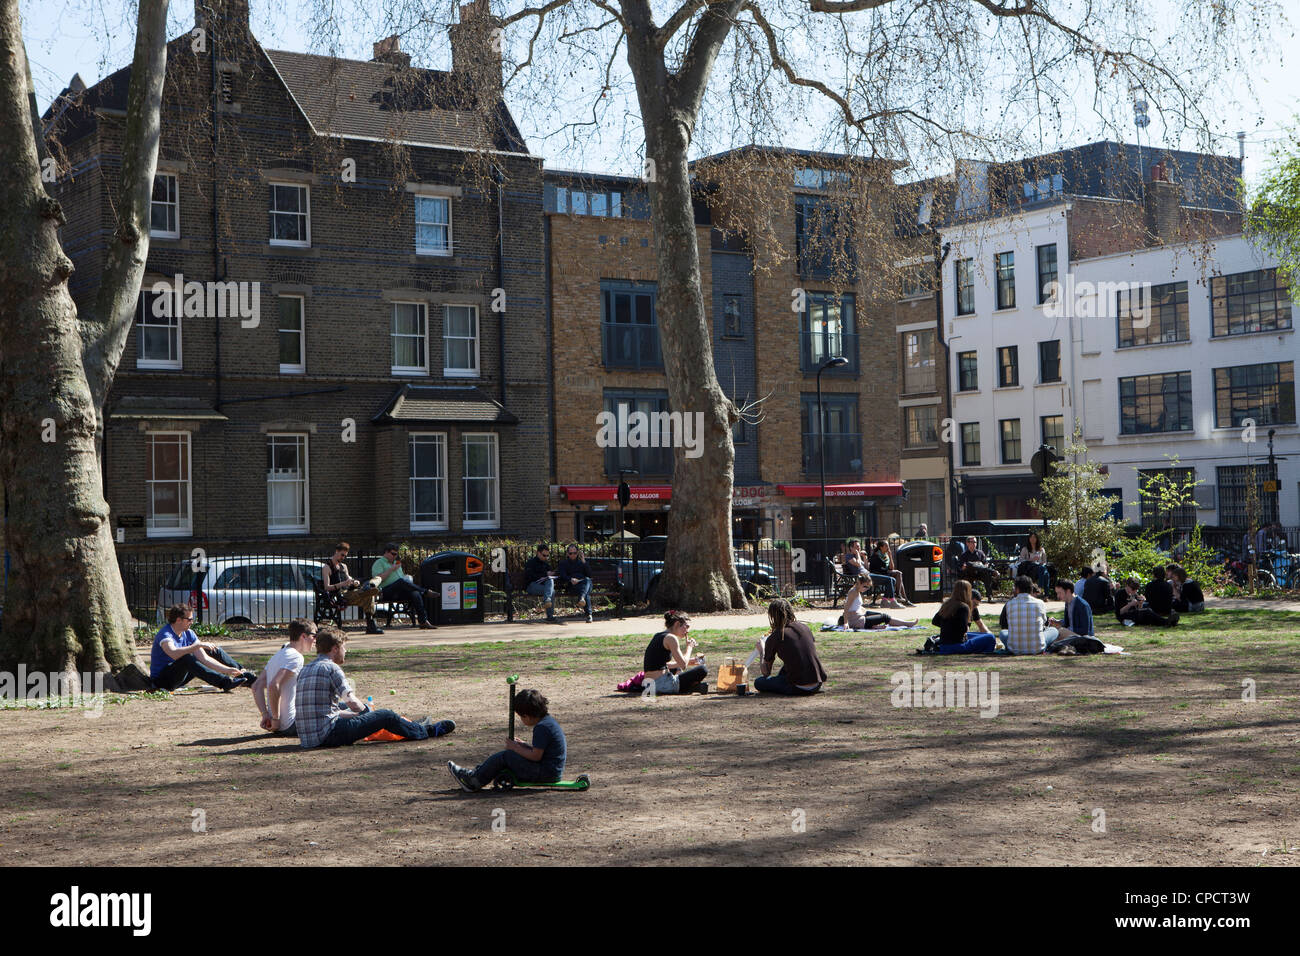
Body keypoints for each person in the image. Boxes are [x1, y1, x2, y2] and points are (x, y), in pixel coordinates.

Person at [295, 628, 455, 749]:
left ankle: (408, 724)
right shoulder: (331, 668)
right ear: (335, 648)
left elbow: (324, 710)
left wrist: (360, 715)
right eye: (344, 647)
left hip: (308, 739)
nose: (346, 651)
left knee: (368, 716)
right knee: (386, 715)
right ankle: (425, 731)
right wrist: (366, 712)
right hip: (329, 735)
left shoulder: (306, 669)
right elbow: (354, 704)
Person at [447, 688, 566, 792]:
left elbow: (536, 756)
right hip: (550, 771)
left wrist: (515, 748)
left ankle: (474, 781)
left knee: (506, 756)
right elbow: (541, 751)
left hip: (546, 774)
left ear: (527, 716)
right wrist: (523, 745)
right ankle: (476, 773)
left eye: (521, 717)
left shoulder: (541, 728)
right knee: (509, 755)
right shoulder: (548, 722)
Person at [150, 603, 257, 691]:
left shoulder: (189, 633)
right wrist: (198, 645)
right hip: (163, 681)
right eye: (189, 619)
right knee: (187, 657)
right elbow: (173, 653)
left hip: (181, 677)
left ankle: (242, 674)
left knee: (212, 649)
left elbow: (204, 658)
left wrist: (228, 669)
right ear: (178, 620)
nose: (192, 622)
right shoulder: (165, 634)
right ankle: (225, 682)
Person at [252, 618, 316, 736]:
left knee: (341, 707)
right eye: (314, 636)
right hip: (290, 724)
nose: (315, 640)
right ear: (303, 636)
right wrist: (275, 719)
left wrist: (266, 715)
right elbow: (273, 685)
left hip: (281, 723)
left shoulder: (278, 655)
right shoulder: (296, 657)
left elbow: (256, 686)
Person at [754, 598, 828, 695]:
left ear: (772, 616)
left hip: (797, 686)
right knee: (791, 665)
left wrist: (762, 651)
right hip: (817, 683)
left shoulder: (777, 635)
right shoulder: (804, 627)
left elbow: (766, 672)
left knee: (759, 682)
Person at [638, 610, 708, 694]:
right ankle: (691, 687)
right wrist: (689, 647)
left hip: (650, 684)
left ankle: (693, 687)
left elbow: (661, 665)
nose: (687, 631)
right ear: (677, 624)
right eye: (687, 626)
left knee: (677, 668)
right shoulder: (671, 638)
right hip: (661, 684)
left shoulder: (658, 635)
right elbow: (683, 665)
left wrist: (691, 661)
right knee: (702, 669)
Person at [322, 542, 383, 635]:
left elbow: (349, 579)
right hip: (339, 595)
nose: (343, 558)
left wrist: (354, 582)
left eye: (345, 556)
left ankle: (368, 588)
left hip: (350, 592)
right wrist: (343, 583)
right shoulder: (327, 567)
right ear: (336, 551)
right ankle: (371, 625)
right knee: (368, 595)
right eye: (342, 555)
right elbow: (327, 587)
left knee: (371, 592)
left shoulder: (343, 566)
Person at [372, 543, 434, 628]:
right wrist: (391, 569)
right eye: (393, 554)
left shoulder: (396, 563)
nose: (395, 556)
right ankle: (425, 591)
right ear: (386, 552)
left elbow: (401, 579)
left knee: (415, 593)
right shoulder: (379, 563)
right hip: (386, 591)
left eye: (396, 554)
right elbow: (377, 579)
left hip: (400, 591)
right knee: (401, 582)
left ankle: (423, 621)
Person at [927, 580, 997, 654]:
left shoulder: (947, 604)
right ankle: (986, 652)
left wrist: (948, 628)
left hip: (943, 645)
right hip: (957, 646)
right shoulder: (964, 607)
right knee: (990, 637)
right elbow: (964, 629)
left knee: (983, 635)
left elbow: (935, 621)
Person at [1000, 575, 1059, 655]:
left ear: (1017, 589)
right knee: (1054, 630)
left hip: (1014, 649)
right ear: (1031, 589)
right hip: (1037, 648)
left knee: (1003, 632)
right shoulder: (1040, 603)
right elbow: (1044, 621)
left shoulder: (1009, 604)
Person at [841, 575, 917, 628]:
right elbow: (846, 608)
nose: (866, 589)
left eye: (868, 587)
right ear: (859, 583)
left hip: (860, 615)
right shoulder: (853, 592)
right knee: (884, 617)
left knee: (882, 615)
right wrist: (845, 623)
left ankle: (905, 623)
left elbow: (855, 606)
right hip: (856, 620)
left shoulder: (856, 590)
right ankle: (907, 624)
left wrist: (867, 612)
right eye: (865, 586)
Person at [524, 543, 561, 624]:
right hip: (532, 586)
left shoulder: (546, 564)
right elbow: (529, 576)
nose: (546, 557)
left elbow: (548, 575)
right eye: (544, 555)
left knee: (551, 583)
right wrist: (543, 575)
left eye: (547, 556)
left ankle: (547, 601)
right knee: (551, 591)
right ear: (538, 553)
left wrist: (551, 574)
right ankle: (550, 616)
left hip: (543, 586)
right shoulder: (530, 563)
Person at [556, 543, 594, 623]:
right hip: (573, 586)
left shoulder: (582, 563)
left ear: (577, 553)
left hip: (585, 583)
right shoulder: (563, 563)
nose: (573, 555)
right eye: (570, 553)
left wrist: (584, 561)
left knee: (587, 580)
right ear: (567, 554)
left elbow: (590, 575)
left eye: (575, 553)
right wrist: (571, 579)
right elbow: (562, 576)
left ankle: (582, 598)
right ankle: (589, 614)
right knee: (585, 592)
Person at [869, 539, 912, 608]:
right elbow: (878, 570)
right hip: (877, 575)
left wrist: (890, 556)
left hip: (885, 574)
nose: (888, 547)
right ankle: (901, 598)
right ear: (881, 547)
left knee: (898, 575)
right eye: (886, 546)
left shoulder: (885, 556)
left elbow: (891, 567)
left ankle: (900, 597)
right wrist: (888, 571)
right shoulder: (876, 556)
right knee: (896, 576)